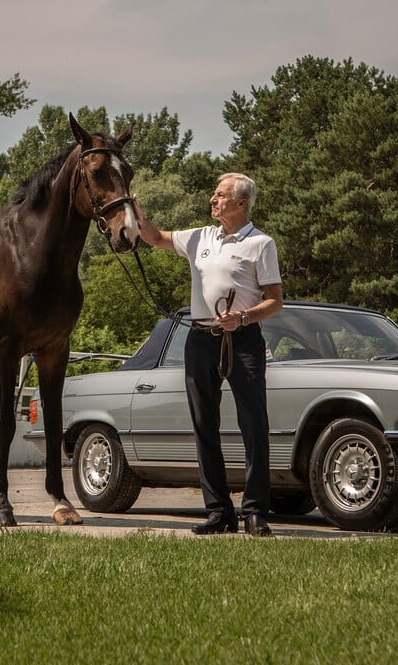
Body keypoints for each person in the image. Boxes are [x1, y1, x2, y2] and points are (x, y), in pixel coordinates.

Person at [134, 173, 283, 537]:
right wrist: (135, 214)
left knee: (254, 425)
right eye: (213, 195)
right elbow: (155, 237)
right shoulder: (200, 236)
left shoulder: (261, 244)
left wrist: (244, 316)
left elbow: (275, 301)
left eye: (220, 195)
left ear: (241, 203)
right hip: (200, 338)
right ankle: (219, 511)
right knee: (204, 426)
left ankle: (255, 513)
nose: (212, 200)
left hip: (243, 340)